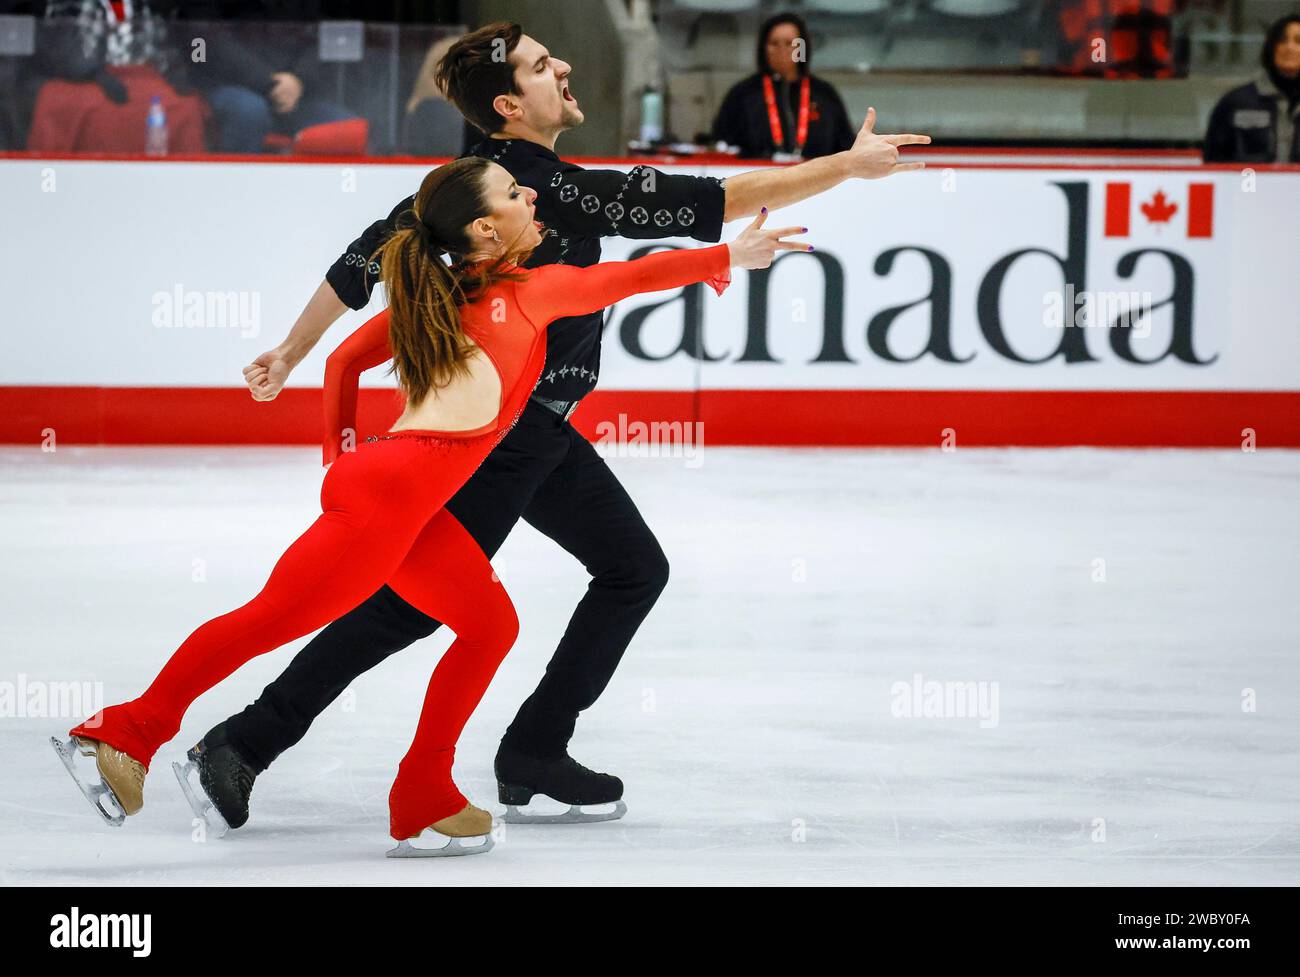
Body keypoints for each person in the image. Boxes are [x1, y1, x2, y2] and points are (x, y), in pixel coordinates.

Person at [183, 22, 927, 833]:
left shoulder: (461, 184)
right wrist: (849, 168)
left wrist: (291, 351)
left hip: (541, 433)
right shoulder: (545, 190)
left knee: (630, 568)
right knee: (411, 606)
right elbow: (721, 200)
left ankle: (533, 747)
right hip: (499, 438)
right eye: (543, 65)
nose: (564, 67)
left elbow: (357, 266)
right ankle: (246, 740)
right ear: (509, 104)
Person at [55, 154, 806, 856]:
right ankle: (123, 734)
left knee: (489, 624)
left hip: (397, 498)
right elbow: (623, 284)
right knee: (267, 620)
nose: (533, 196)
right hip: (385, 501)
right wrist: (727, 256)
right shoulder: (526, 293)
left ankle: (422, 788)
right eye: (515, 195)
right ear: (485, 230)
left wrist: (343, 456)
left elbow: (346, 360)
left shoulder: (445, 292)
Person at [711, 12, 856, 161]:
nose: (782, 50)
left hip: (818, 178)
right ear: (764, 48)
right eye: (774, 43)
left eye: (789, 43)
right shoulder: (743, 93)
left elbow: (846, 146)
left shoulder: (824, 93)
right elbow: (721, 145)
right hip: (758, 178)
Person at [1203, 13, 1300, 164]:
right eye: (1282, 40)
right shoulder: (1236, 102)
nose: (1289, 47)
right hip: (1249, 187)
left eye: (1298, 41)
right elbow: (1213, 163)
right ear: (1271, 47)